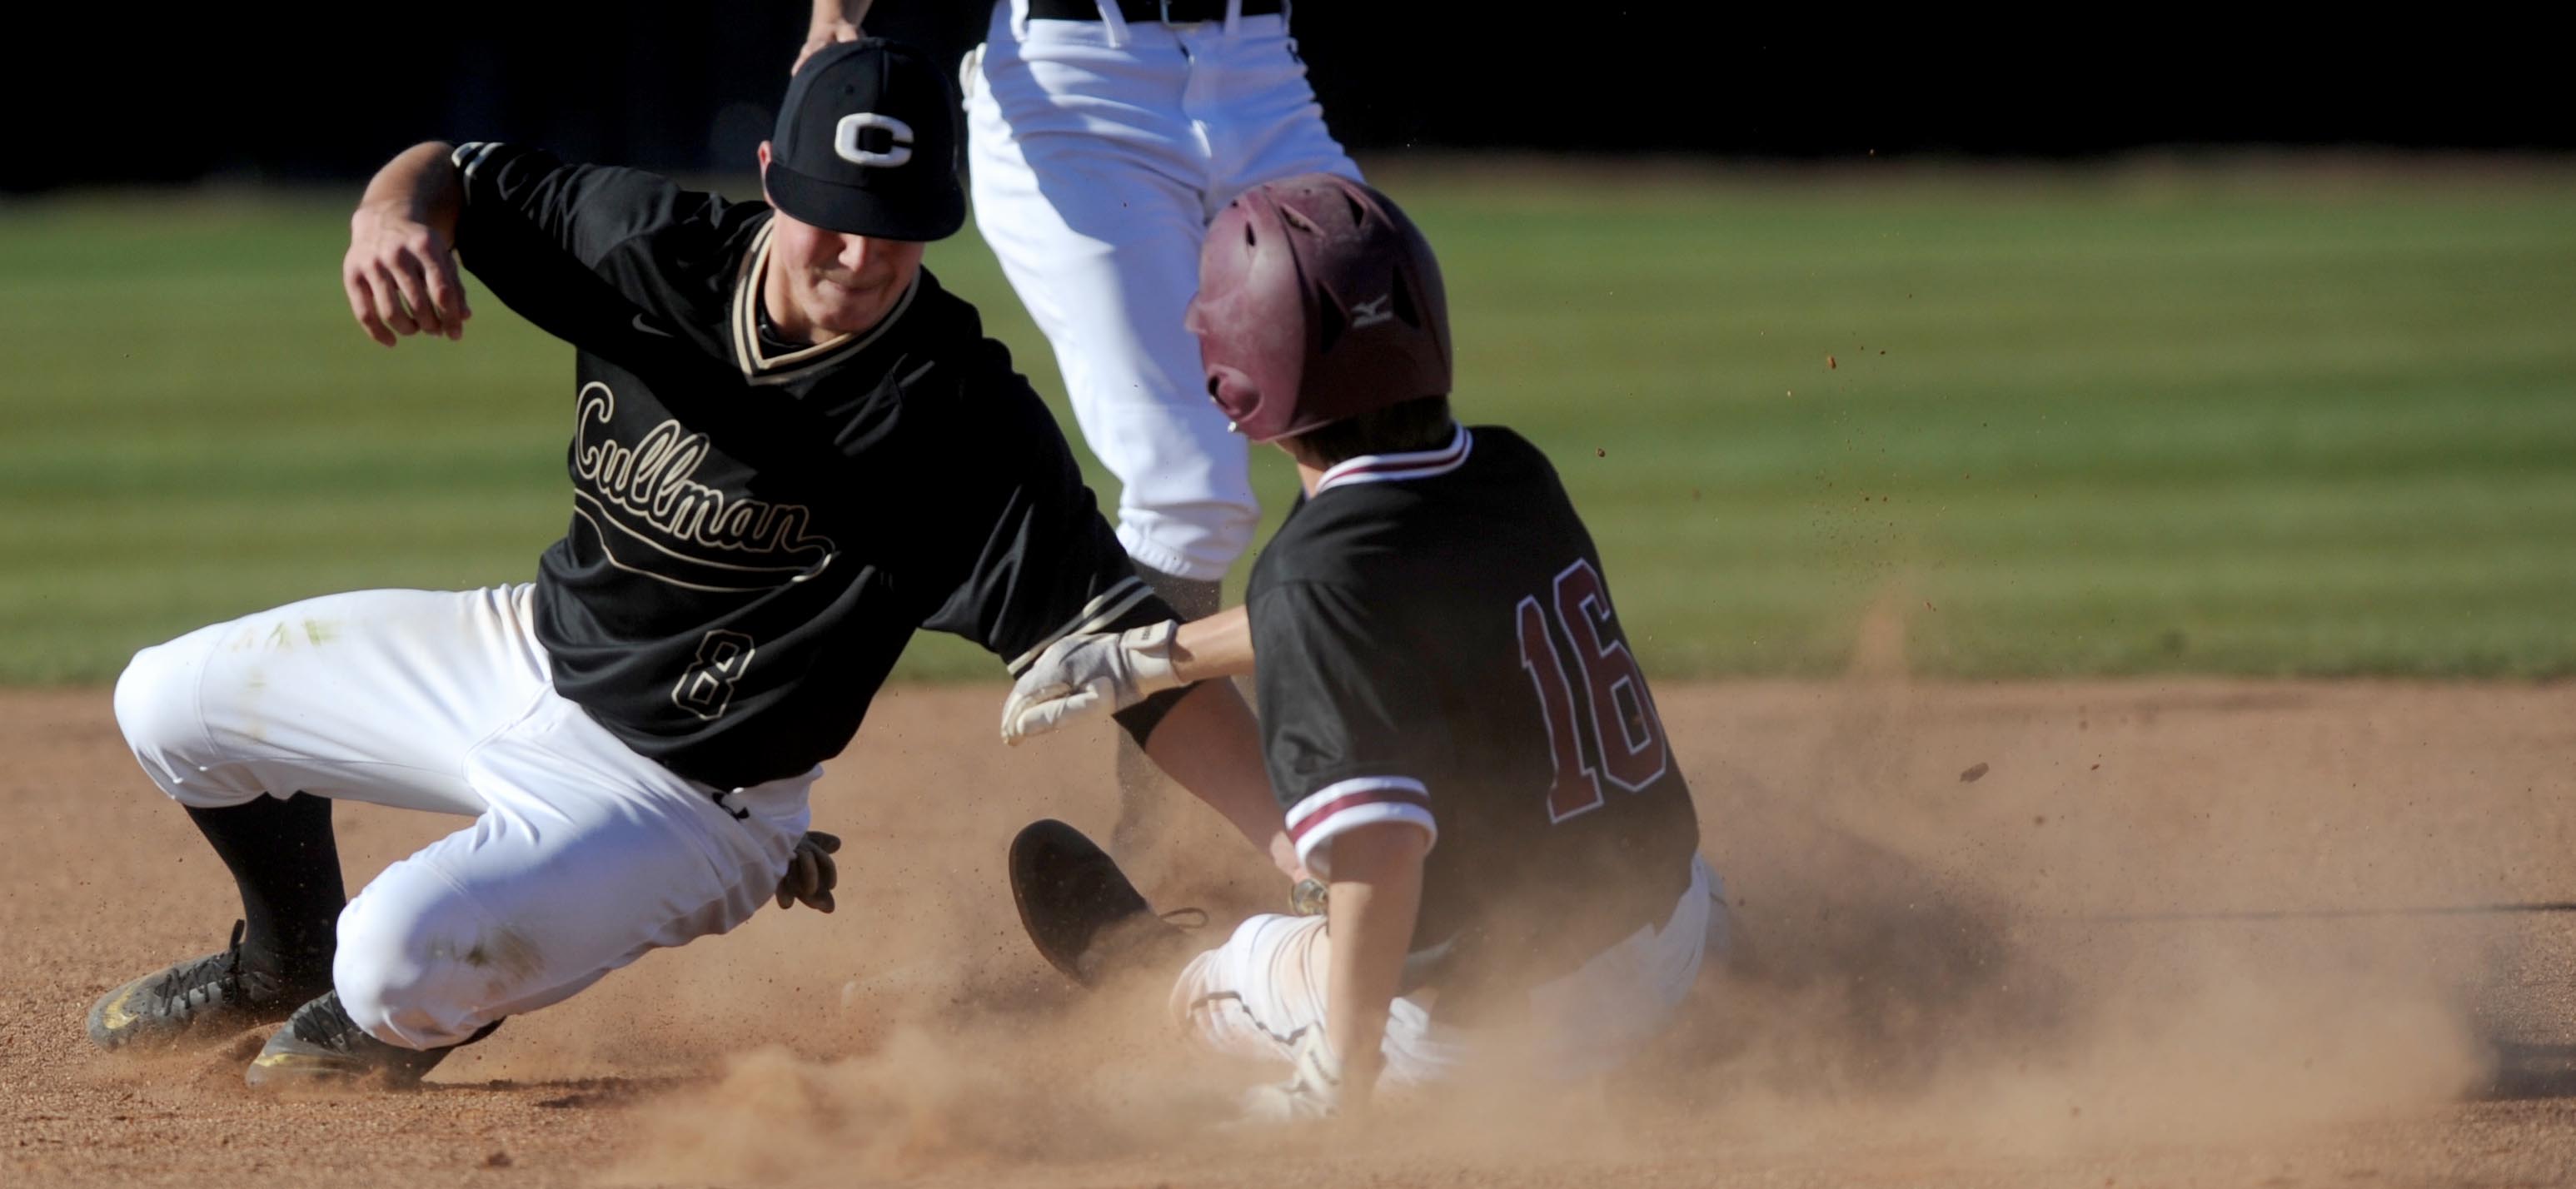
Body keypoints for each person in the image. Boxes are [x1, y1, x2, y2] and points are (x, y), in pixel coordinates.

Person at [84, 38, 1287, 1087]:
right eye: (833, 215)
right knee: (164, 703)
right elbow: (452, 170)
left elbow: (1136, 663)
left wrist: (1302, 847)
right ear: (769, 176)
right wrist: (387, 214)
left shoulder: (957, 417)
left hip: (688, 800)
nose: (861, 257)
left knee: (394, 960)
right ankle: (281, 953)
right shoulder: (649, 246)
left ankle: (398, 1011)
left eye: (897, 229)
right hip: (527, 646)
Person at [998, 175, 1728, 1119]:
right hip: (1675, 943)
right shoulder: (1511, 471)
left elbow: (1380, 851)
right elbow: (1370, 599)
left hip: (1496, 1036)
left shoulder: (1309, 574)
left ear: (1238, 378)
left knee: (1239, 970)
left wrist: (1340, 1075)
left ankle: (1154, 975)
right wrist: (1154, 657)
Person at [803, 0, 1358, 619]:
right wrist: (833, 16)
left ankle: (1319, 665)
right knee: (1188, 496)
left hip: (1263, 71)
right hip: (1077, 85)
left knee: (1380, 426)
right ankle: (1154, 677)